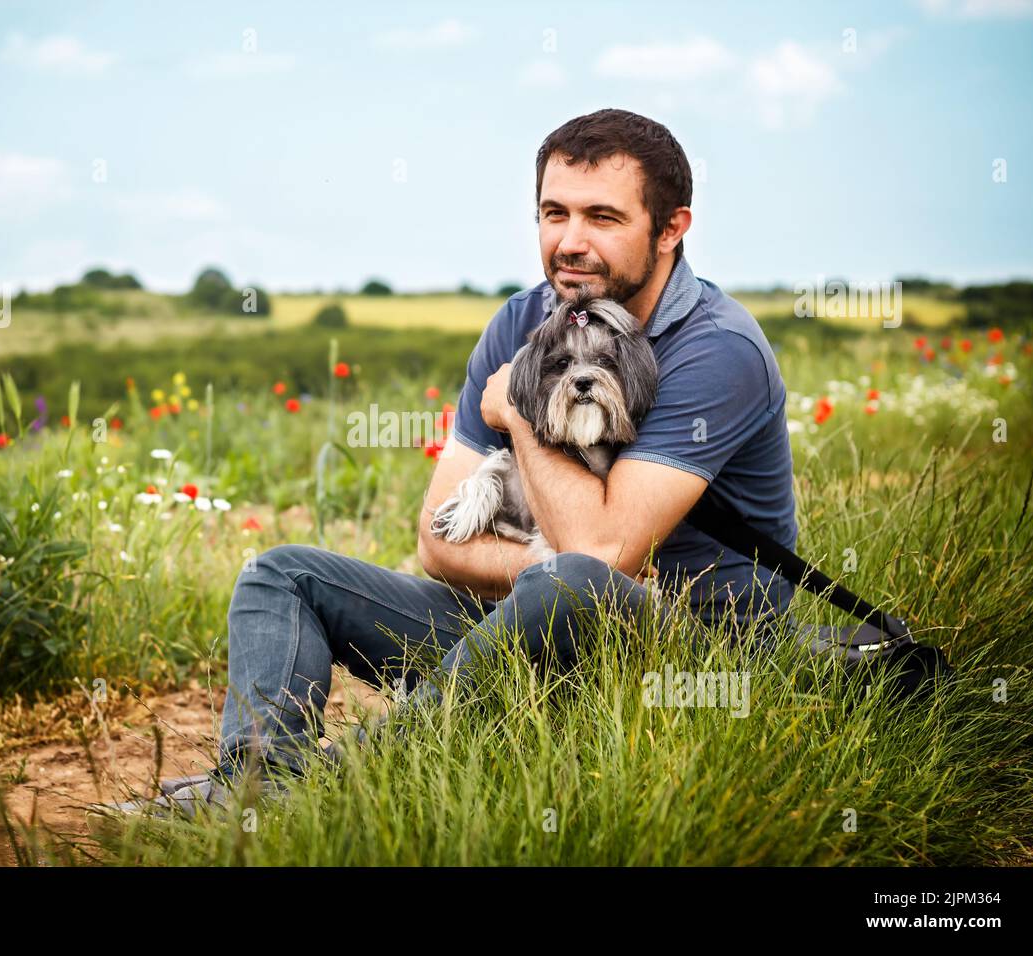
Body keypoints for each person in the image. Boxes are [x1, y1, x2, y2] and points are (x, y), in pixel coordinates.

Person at [119, 108, 798, 817]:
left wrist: (519, 418)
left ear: (670, 230)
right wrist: (538, 573)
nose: (570, 241)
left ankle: (335, 790)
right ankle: (259, 783)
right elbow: (441, 541)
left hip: (691, 659)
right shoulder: (519, 320)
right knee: (282, 574)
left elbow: (600, 554)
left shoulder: (716, 350)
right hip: (530, 625)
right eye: (553, 212)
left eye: (602, 217)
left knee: (573, 582)